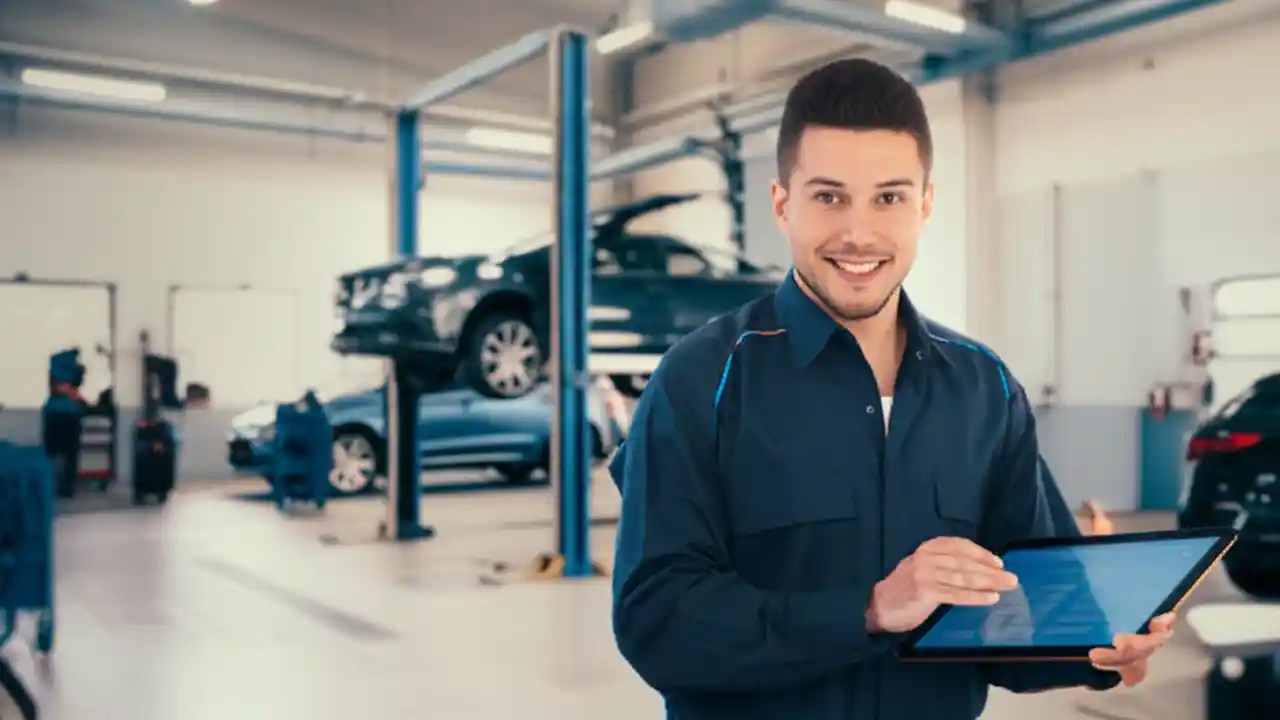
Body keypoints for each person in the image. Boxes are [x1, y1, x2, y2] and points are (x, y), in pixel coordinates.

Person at [608, 58, 1174, 720]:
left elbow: (1016, 618)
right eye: (828, 197)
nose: (859, 233)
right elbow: (657, 623)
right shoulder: (702, 380)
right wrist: (870, 609)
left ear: (925, 203)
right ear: (782, 203)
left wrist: (1097, 647)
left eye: (889, 197)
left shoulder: (983, 388)